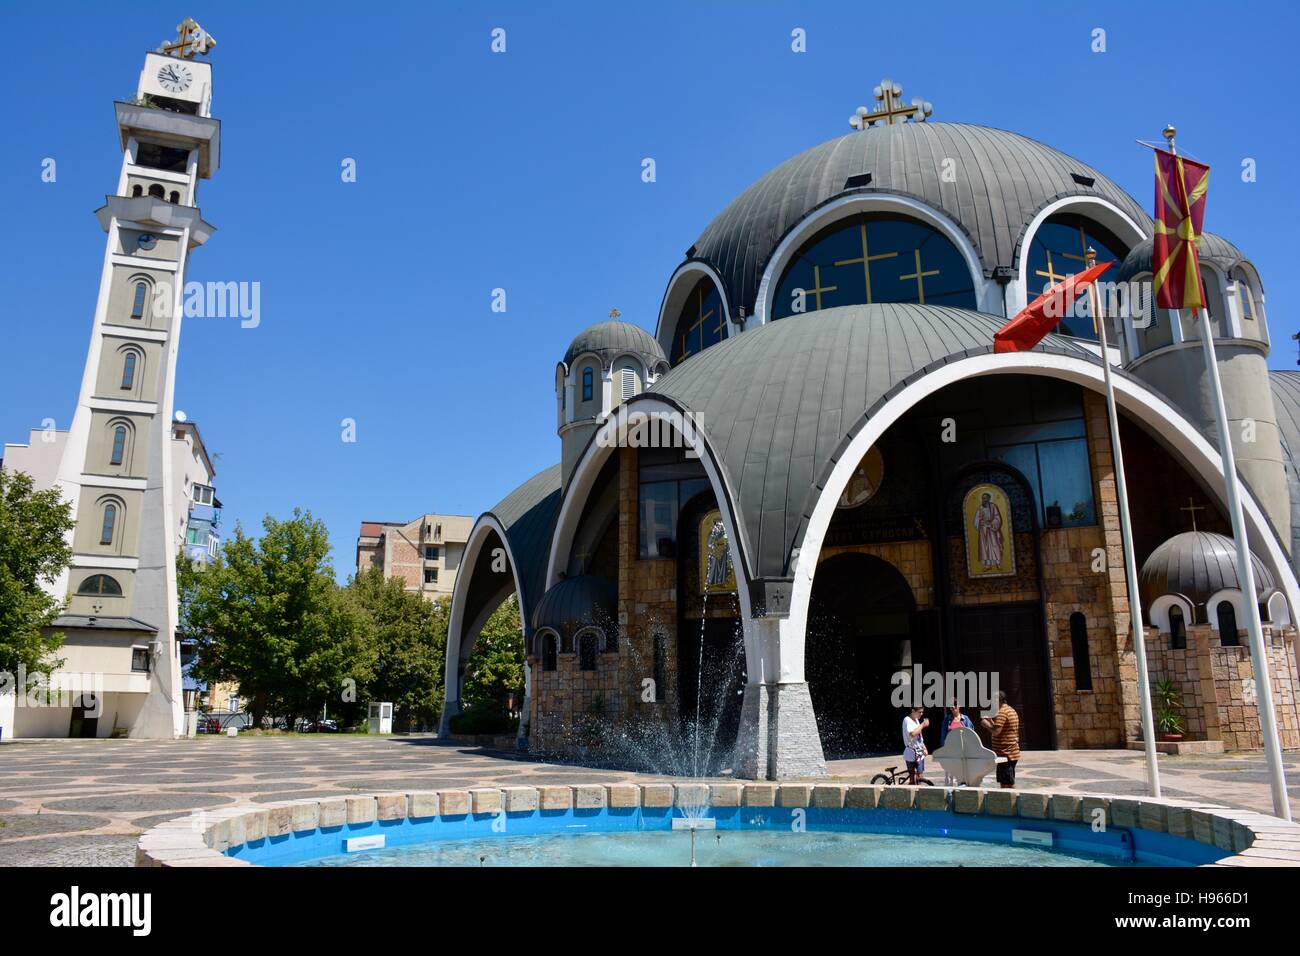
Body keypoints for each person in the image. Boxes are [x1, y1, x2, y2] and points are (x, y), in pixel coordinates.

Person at [981, 690, 1021, 788]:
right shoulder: (1010, 710)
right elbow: (1003, 730)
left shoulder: (1002, 712)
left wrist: (986, 725)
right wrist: (992, 723)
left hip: (1006, 754)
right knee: (1007, 782)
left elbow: (996, 732)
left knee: (1007, 784)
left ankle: (1011, 802)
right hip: (1009, 753)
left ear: (998, 700)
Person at [901, 705, 928, 784]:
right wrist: (922, 725)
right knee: (913, 778)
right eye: (919, 712)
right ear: (913, 711)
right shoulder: (907, 720)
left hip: (919, 752)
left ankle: (919, 793)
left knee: (920, 776)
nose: (921, 714)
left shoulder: (916, 720)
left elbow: (919, 737)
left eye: (922, 712)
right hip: (911, 753)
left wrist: (924, 747)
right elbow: (913, 733)